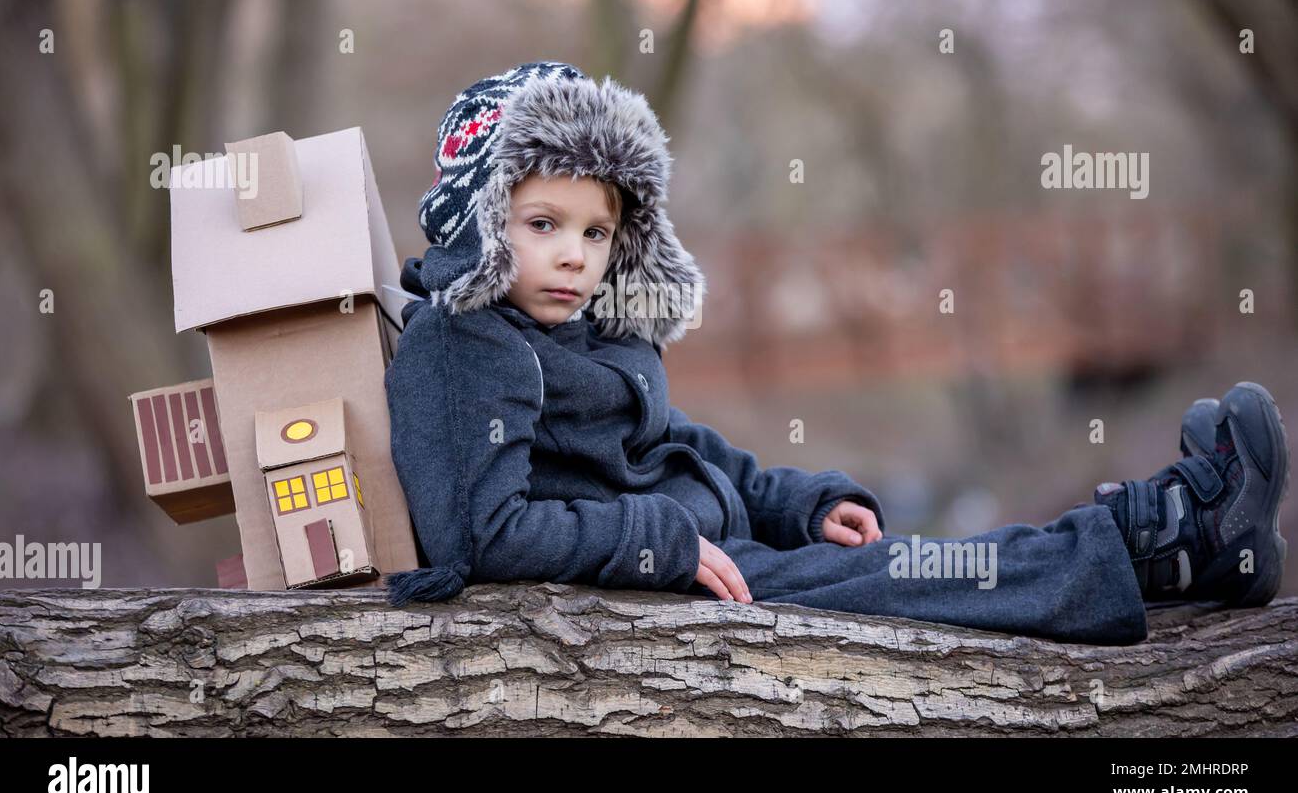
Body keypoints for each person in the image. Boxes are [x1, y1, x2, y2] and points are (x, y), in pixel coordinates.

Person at [383, 60, 1290, 646]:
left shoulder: (576, 330)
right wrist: (657, 540)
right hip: (661, 590)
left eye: (596, 229)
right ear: (482, 219)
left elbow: (674, 449)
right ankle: (1164, 535)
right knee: (912, 579)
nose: (576, 254)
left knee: (907, 558)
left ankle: (1189, 554)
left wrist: (793, 501)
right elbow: (479, 535)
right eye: (542, 224)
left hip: (707, 551)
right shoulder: (461, 344)